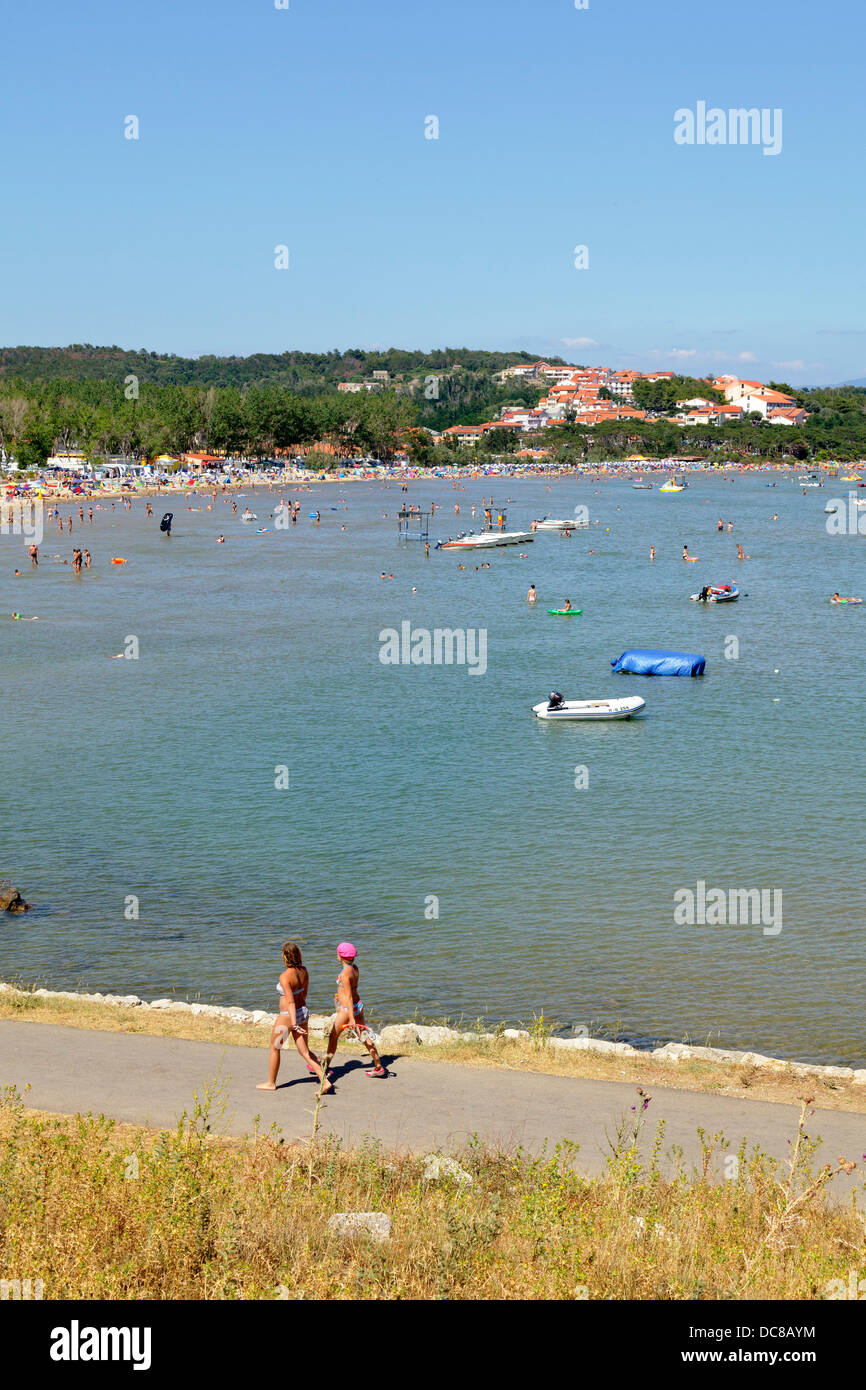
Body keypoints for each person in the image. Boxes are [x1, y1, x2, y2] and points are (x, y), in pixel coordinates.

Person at [257, 942, 332, 1091]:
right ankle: (324, 1081)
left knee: (275, 1047)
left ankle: (271, 1083)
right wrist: (298, 1019)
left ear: (285, 956)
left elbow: (290, 1002)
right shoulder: (304, 971)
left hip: (287, 1017)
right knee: (304, 1051)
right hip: (303, 1012)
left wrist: (293, 1023)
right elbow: (304, 994)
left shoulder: (285, 976)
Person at [327, 943, 386, 1078]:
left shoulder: (344, 974)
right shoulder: (354, 969)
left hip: (348, 1009)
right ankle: (378, 1066)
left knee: (333, 1037)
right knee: (363, 1036)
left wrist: (350, 1017)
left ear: (340, 956)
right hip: (357, 1005)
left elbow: (347, 995)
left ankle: (325, 1066)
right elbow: (352, 991)